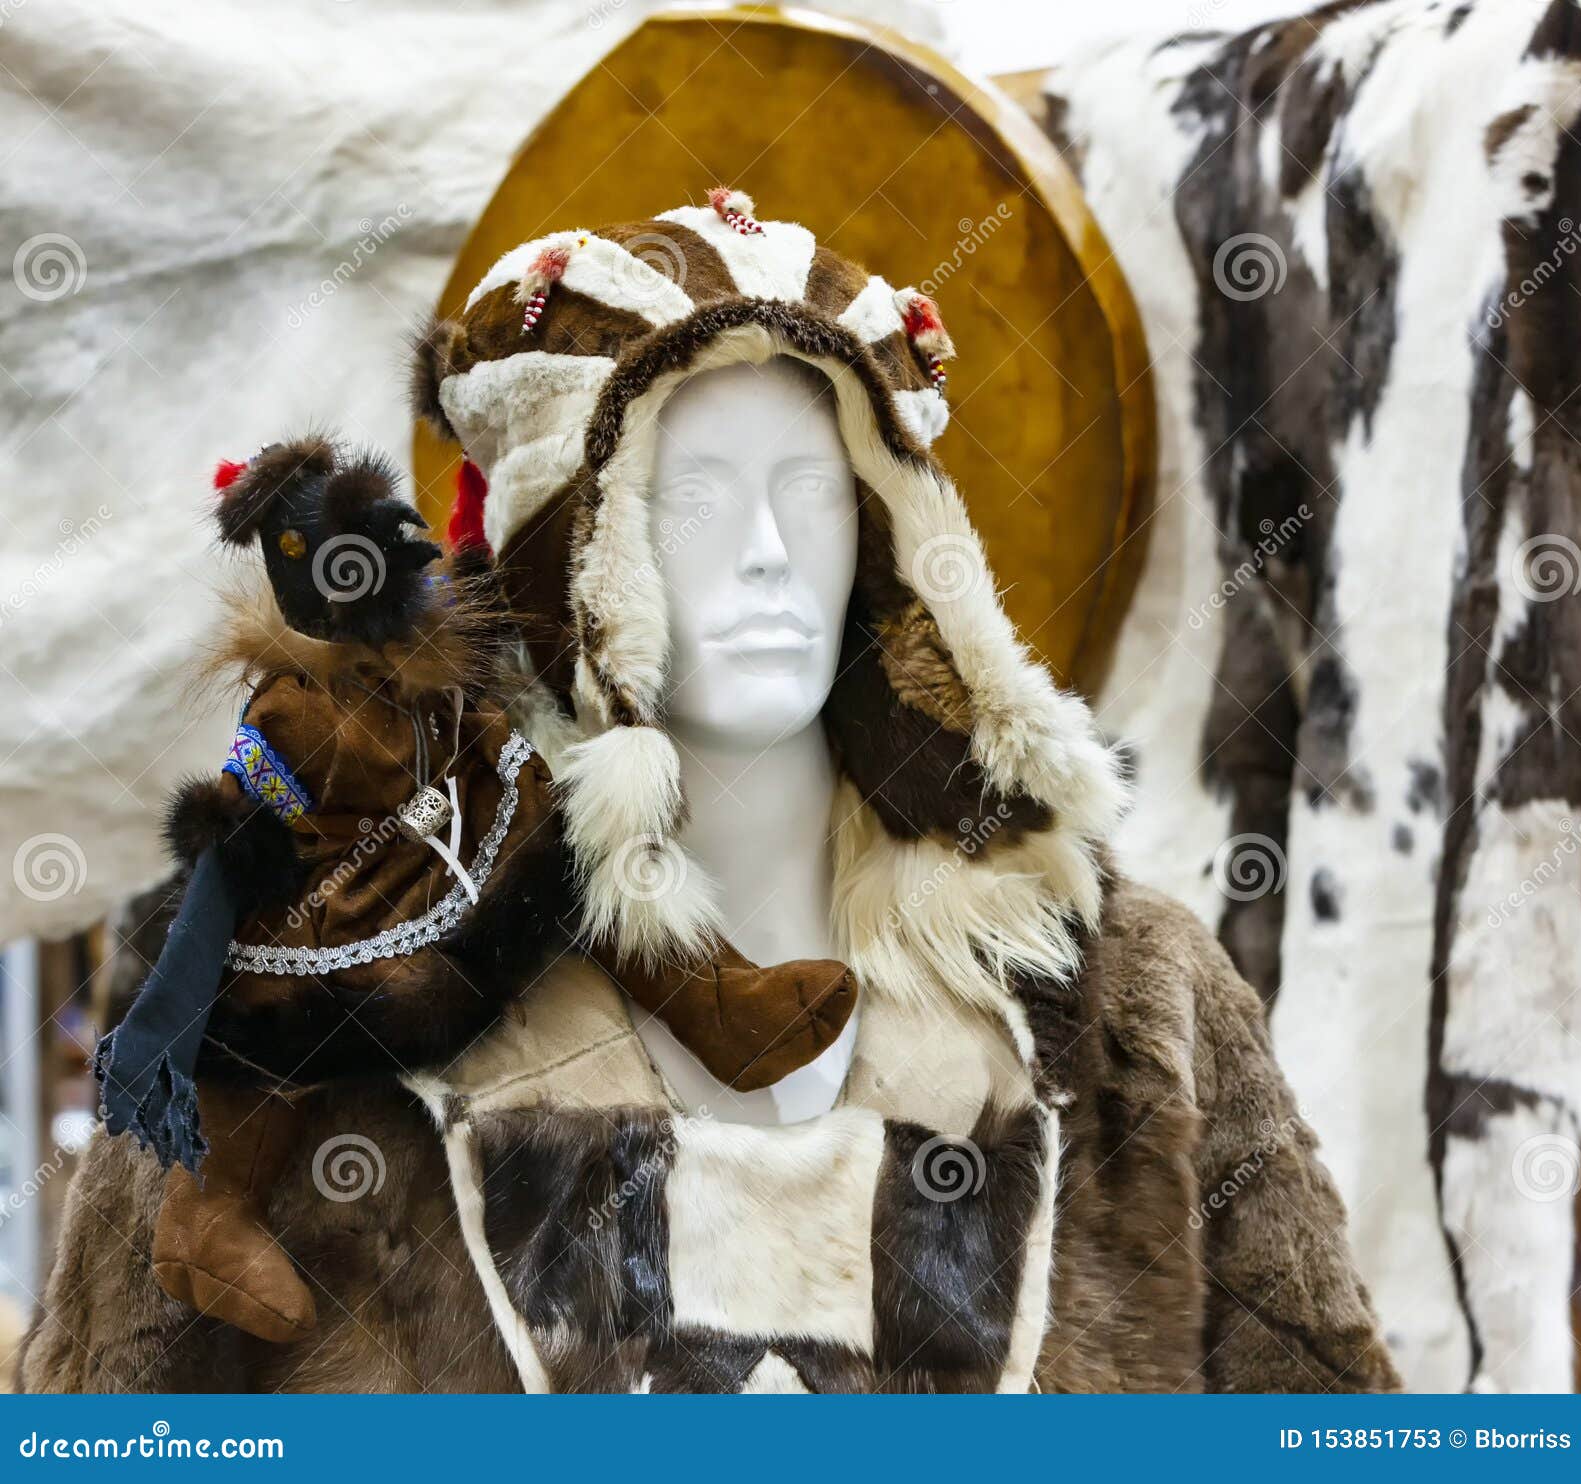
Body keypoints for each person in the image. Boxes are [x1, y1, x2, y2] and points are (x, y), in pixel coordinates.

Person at [20, 191, 1399, 1394]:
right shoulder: (310, 1003)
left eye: (807, 491)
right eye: (686, 498)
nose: (758, 556)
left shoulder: (1125, 1012)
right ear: (566, 554)